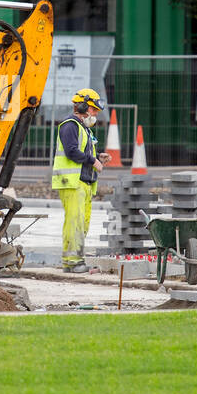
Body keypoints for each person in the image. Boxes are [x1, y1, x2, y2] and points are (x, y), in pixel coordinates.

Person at [51, 88, 111, 273]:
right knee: (74, 222)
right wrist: (92, 160)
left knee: (82, 223)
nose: (95, 114)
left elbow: (83, 152)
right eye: (94, 110)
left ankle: (75, 260)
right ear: (83, 107)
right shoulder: (70, 125)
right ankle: (72, 262)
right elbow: (71, 151)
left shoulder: (83, 128)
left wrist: (98, 156)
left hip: (83, 183)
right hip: (71, 182)